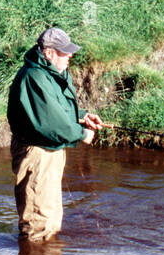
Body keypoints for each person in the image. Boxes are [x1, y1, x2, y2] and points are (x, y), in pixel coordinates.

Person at [7, 26, 103, 242]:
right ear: (49, 53)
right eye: (64, 51)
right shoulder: (34, 77)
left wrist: (82, 116)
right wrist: (80, 133)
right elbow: (50, 122)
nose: (70, 55)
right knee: (39, 225)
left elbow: (55, 108)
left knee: (49, 218)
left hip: (49, 151)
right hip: (37, 154)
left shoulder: (50, 73)